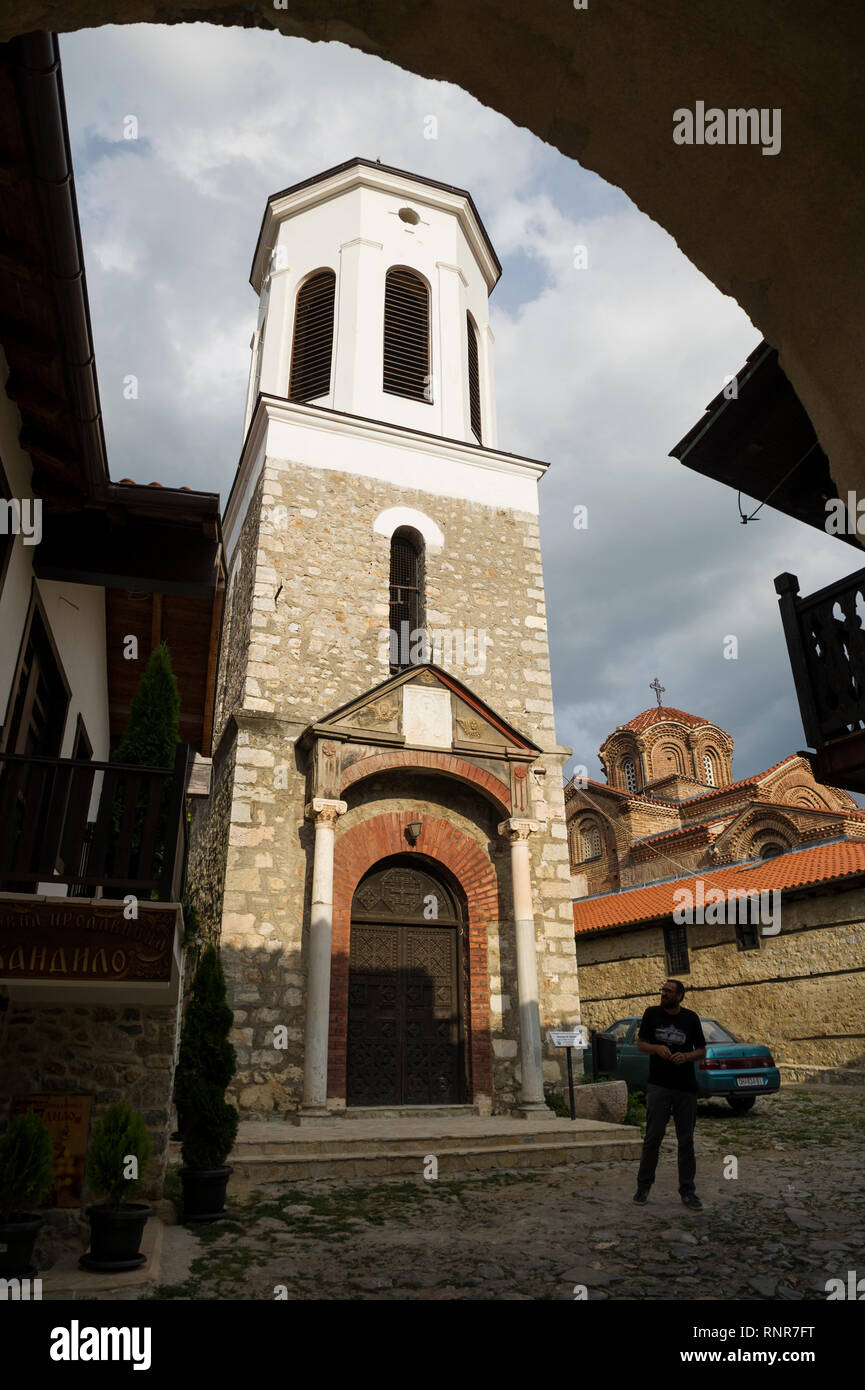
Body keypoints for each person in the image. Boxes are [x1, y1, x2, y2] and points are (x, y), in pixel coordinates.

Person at [633, 980, 706, 1209]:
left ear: (680, 996)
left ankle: (688, 1191)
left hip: (685, 1088)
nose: (663, 994)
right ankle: (643, 1187)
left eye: (668, 991)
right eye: (662, 990)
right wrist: (657, 1049)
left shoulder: (691, 1018)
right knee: (653, 1138)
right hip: (658, 1086)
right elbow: (641, 1045)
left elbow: (702, 1051)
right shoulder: (651, 1014)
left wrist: (686, 1057)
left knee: (686, 1141)